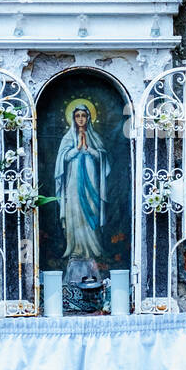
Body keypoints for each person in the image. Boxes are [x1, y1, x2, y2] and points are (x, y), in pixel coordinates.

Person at [54, 104, 109, 260]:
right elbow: (62, 159)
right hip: (72, 181)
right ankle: (75, 248)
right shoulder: (68, 137)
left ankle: (94, 248)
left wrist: (89, 148)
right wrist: (77, 148)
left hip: (92, 180)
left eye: (83, 116)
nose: (80, 119)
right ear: (73, 118)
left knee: (92, 208)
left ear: (88, 117)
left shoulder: (94, 137)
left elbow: (103, 159)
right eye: (77, 116)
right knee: (74, 209)